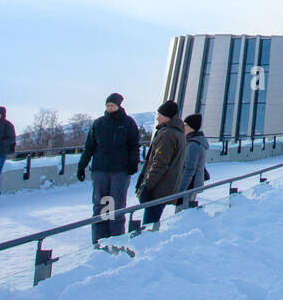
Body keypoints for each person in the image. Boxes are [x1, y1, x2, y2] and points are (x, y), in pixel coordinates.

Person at [78, 92, 140, 244]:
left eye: (112, 105)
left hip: (120, 171)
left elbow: (134, 145)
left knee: (116, 206)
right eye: (108, 106)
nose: (110, 108)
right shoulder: (99, 123)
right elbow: (89, 147)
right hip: (101, 170)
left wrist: (133, 163)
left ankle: (116, 240)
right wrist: (82, 165)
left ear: (119, 106)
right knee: (101, 205)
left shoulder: (128, 123)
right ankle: (99, 240)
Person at [136, 101, 187, 229]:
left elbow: (159, 163)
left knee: (149, 224)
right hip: (165, 186)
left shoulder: (168, 134)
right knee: (153, 221)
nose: (157, 117)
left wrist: (147, 186)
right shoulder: (178, 133)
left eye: (159, 114)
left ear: (166, 116)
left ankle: (148, 245)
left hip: (159, 188)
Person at [179, 113, 210, 208]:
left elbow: (189, 168)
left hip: (190, 185)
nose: (183, 128)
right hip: (192, 184)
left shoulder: (193, 144)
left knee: (183, 212)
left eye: (186, 125)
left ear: (192, 127)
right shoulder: (194, 141)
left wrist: (180, 190)